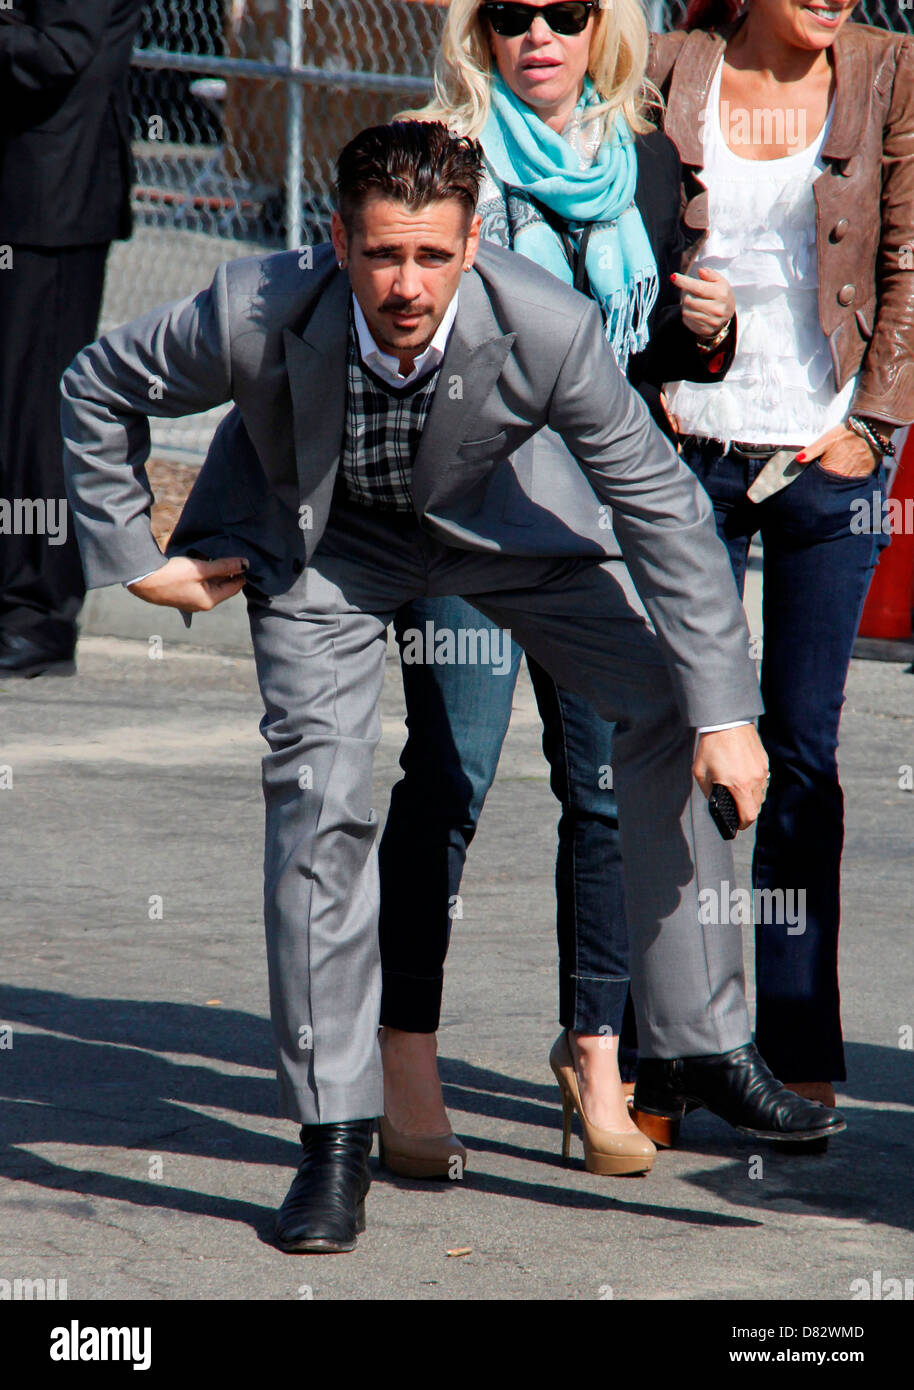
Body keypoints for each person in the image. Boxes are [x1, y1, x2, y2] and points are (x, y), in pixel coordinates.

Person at [61, 122, 843, 1255]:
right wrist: (134, 555)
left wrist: (731, 716)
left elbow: (659, 506)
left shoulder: (549, 326)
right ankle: (332, 1137)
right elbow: (96, 385)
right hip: (321, 552)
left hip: (500, 538)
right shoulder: (248, 307)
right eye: (381, 255)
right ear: (336, 241)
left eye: (432, 255)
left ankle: (698, 1043)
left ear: (473, 243)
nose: (406, 284)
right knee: (319, 804)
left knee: (674, 704)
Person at [378, 0, 741, 1181]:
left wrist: (709, 332)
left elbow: (636, 358)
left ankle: (595, 1061)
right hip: (465, 517)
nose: (538, 32)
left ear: (605, 30)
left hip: (591, 526)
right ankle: (407, 1063)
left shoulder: (633, 159)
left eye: (565, 12)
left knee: (602, 789)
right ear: (475, 32)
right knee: (449, 778)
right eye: (510, 14)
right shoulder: (438, 155)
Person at [649, 0, 914, 1119]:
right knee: (673, 746)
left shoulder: (890, 70)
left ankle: (795, 1039)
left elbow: (911, 256)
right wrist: (641, 371)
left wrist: (875, 425)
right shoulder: (668, 66)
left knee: (800, 750)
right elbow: (619, 236)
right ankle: (666, 1050)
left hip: (822, 455)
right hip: (681, 444)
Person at [0, 0, 147, 677]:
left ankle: (38, 614)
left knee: (35, 421)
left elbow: (62, 52)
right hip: (27, 202)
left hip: (49, 205)